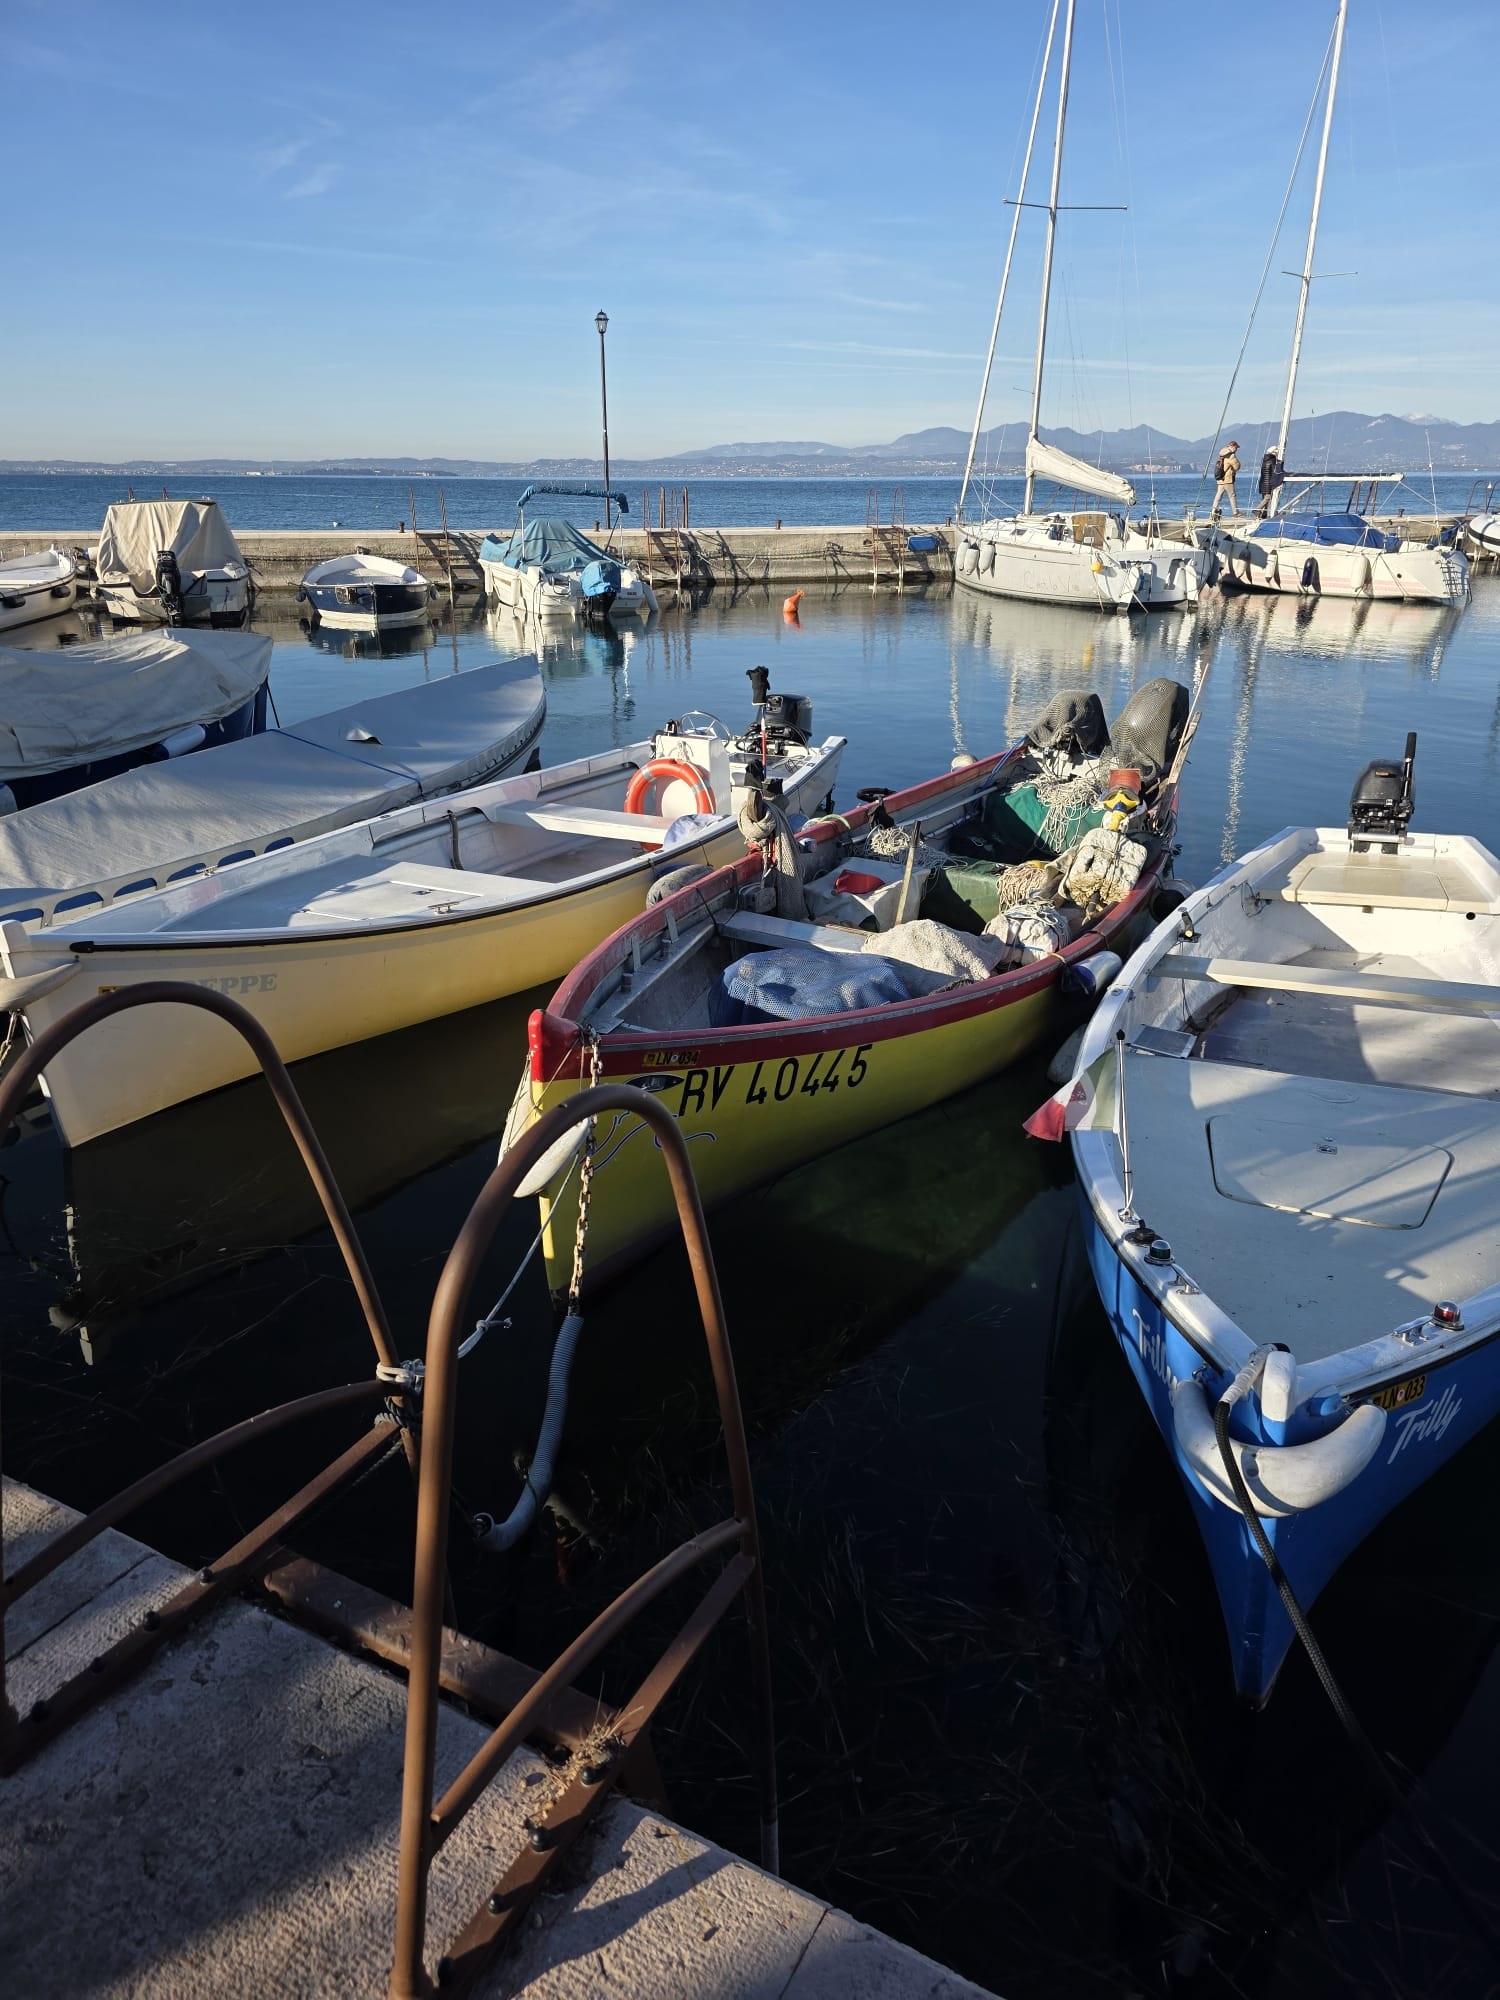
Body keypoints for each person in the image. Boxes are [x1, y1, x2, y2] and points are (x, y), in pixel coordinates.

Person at [1209, 440, 1241, 520]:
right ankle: (1235, 512)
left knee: (1218, 496)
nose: (1236, 450)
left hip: (1220, 479)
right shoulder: (1231, 456)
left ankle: (1213, 511)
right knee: (1232, 495)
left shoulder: (1222, 454)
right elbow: (1237, 467)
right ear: (1232, 447)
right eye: (1236, 448)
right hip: (1227, 479)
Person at [1256, 448, 1284, 519]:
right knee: (1268, 498)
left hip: (1262, 483)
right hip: (1268, 483)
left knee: (1264, 500)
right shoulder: (1273, 461)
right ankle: (1257, 510)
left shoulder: (1264, 461)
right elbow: (1276, 472)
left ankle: (1262, 515)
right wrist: (1280, 463)